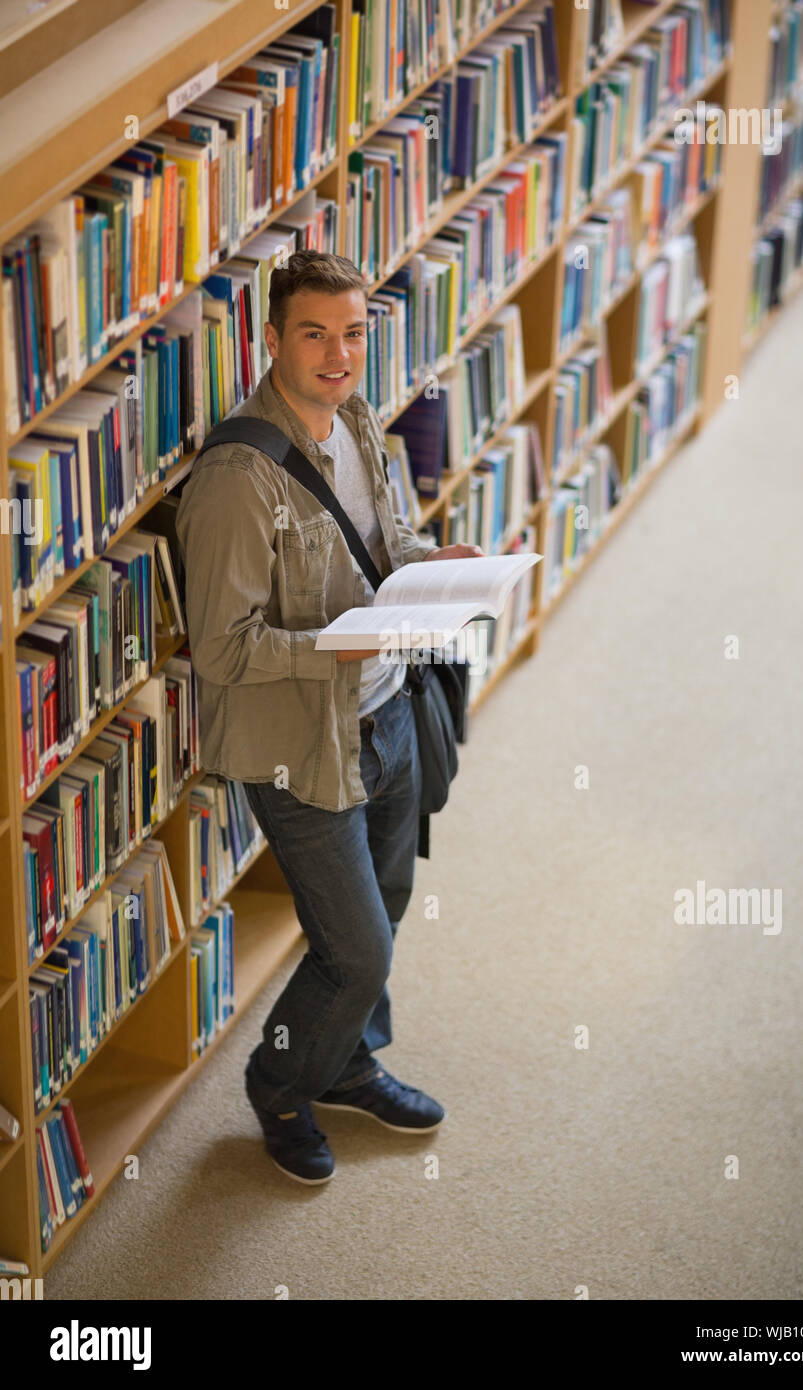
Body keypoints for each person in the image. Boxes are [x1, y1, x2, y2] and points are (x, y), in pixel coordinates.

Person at [176, 250, 483, 1184]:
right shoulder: (239, 477)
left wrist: (438, 562)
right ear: (271, 340)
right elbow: (223, 651)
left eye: (352, 332)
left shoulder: (354, 420)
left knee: (384, 907)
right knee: (356, 949)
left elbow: (381, 549)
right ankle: (279, 1083)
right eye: (314, 333)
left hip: (388, 713)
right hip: (301, 747)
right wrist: (333, 651)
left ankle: (346, 1062)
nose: (338, 353)